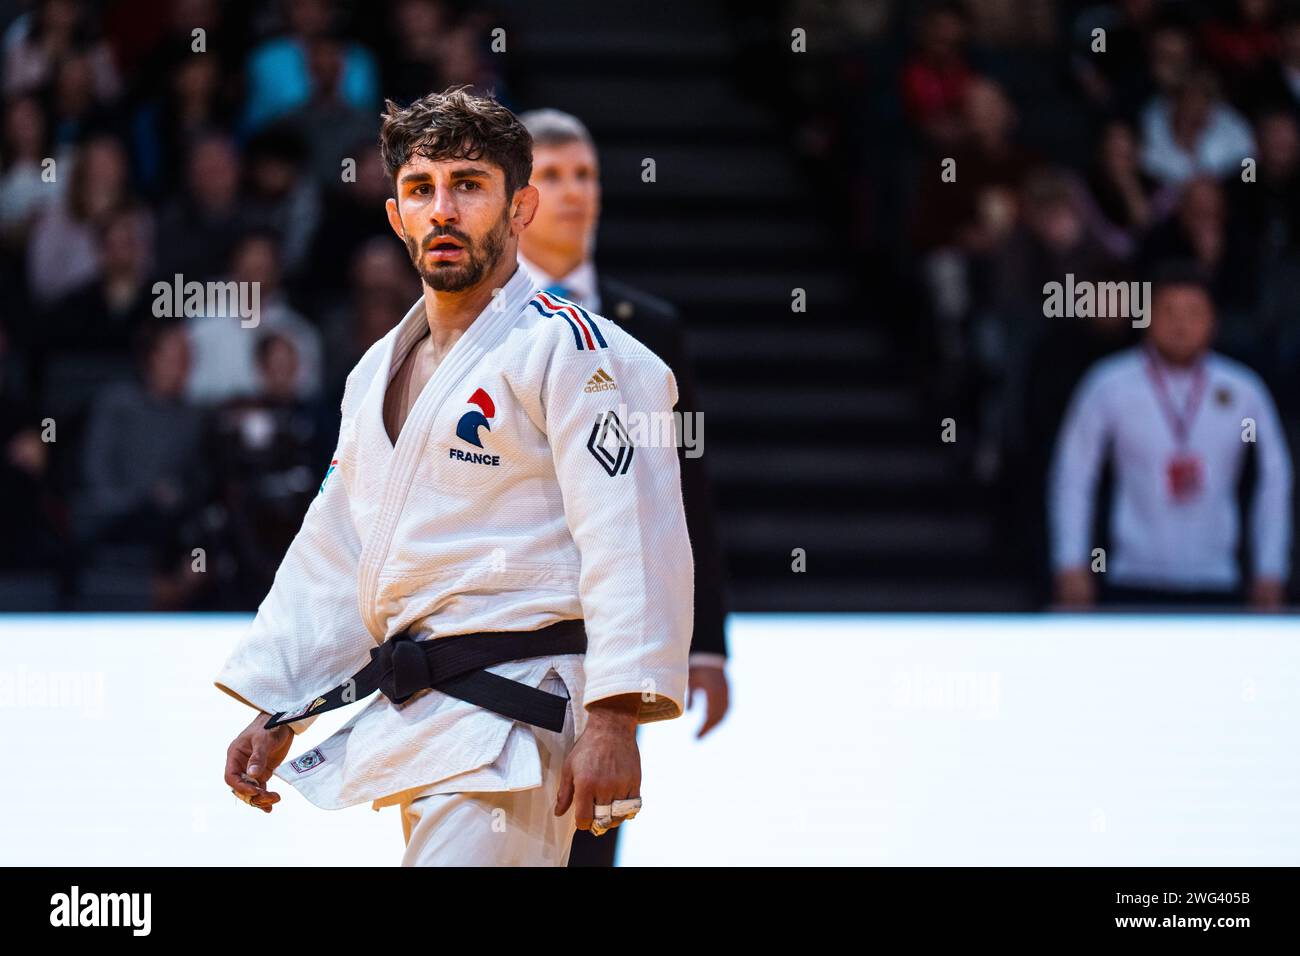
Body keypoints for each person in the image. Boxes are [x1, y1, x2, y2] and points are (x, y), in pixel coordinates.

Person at [215, 87, 693, 866]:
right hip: (422, 713)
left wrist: (614, 716)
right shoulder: (376, 370)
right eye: (420, 189)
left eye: (469, 185)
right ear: (396, 214)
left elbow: (631, 535)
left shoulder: (577, 350)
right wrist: (282, 708)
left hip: (519, 711)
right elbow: (342, 547)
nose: (443, 209)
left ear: (520, 209)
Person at [515, 106, 730, 866]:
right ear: (518, 198)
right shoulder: (482, 320)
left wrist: (706, 643)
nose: (574, 193)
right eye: (553, 176)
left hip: (611, 624)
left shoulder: (651, 327)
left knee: (594, 826)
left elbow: (682, 494)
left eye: (585, 175)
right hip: (503, 612)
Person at [1049, 265, 1292, 609]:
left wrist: (1271, 568)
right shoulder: (1110, 386)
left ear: (1213, 321)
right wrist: (1070, 561)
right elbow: (1074, 474)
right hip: (1130, 575)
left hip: (1218, 577)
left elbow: (1274, 480)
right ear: (1146, 317)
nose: (1181, 325)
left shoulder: (1242, 391)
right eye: (1168, 312)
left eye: (1194, 313)